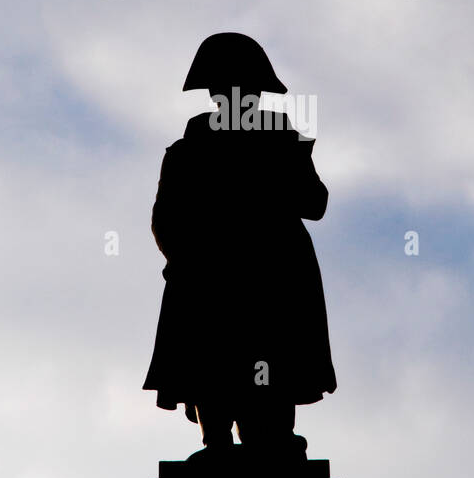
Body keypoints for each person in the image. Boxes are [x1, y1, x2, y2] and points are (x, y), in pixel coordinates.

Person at [143, 33, 337, 456]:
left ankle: (255, 443)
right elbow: (166, 222)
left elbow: (314, 203)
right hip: (225, 282)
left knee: (261, 370)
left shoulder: (275, 143)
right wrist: (186, 263)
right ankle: (223, 442)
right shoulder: (190, 151)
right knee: (217, 368)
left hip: (268, 281)